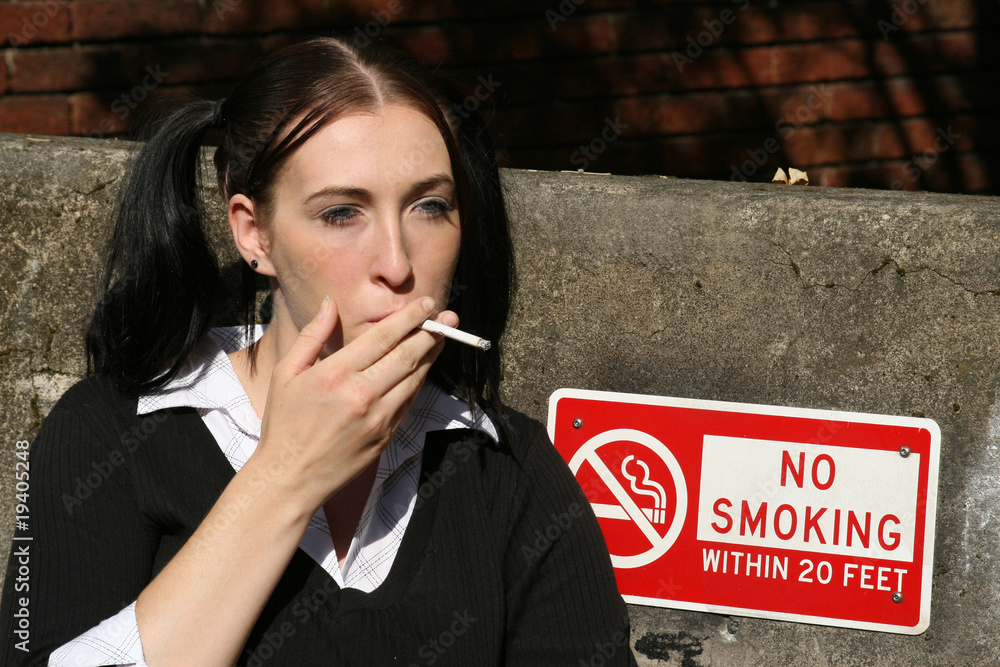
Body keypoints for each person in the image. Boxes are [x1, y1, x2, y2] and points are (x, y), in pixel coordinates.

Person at [0, 36, 635, 666]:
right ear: (255, 235)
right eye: (341, 213)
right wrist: (284, 477)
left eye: (430, 206)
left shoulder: (511, 472)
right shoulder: (105, 437)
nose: (396, 263)